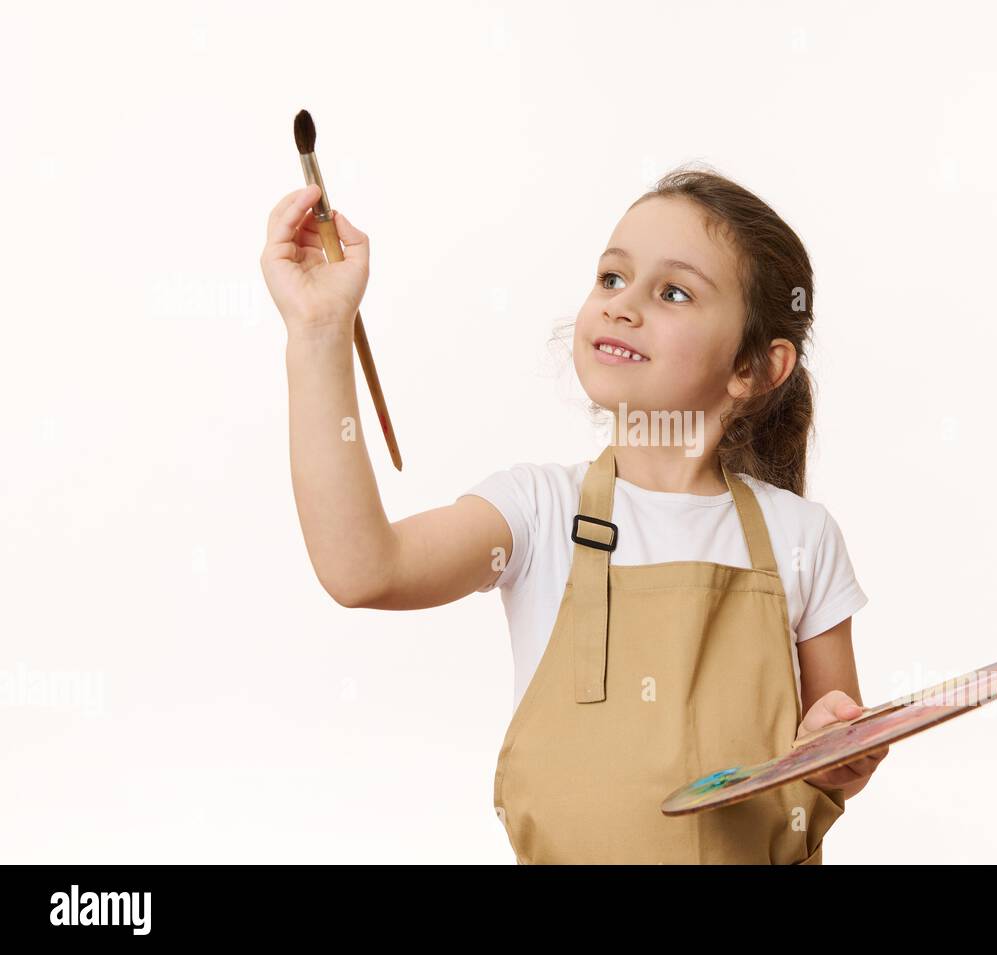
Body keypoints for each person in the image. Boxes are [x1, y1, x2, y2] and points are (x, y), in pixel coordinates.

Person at [260, 164, 888, 864]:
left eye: (673, 292)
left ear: (757, 367)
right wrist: (318, 331)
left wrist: (838, 753)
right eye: (612, 278)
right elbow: (362, 568)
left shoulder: (802, 537)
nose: (622, 306)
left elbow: (831, 762)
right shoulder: (536, 512)